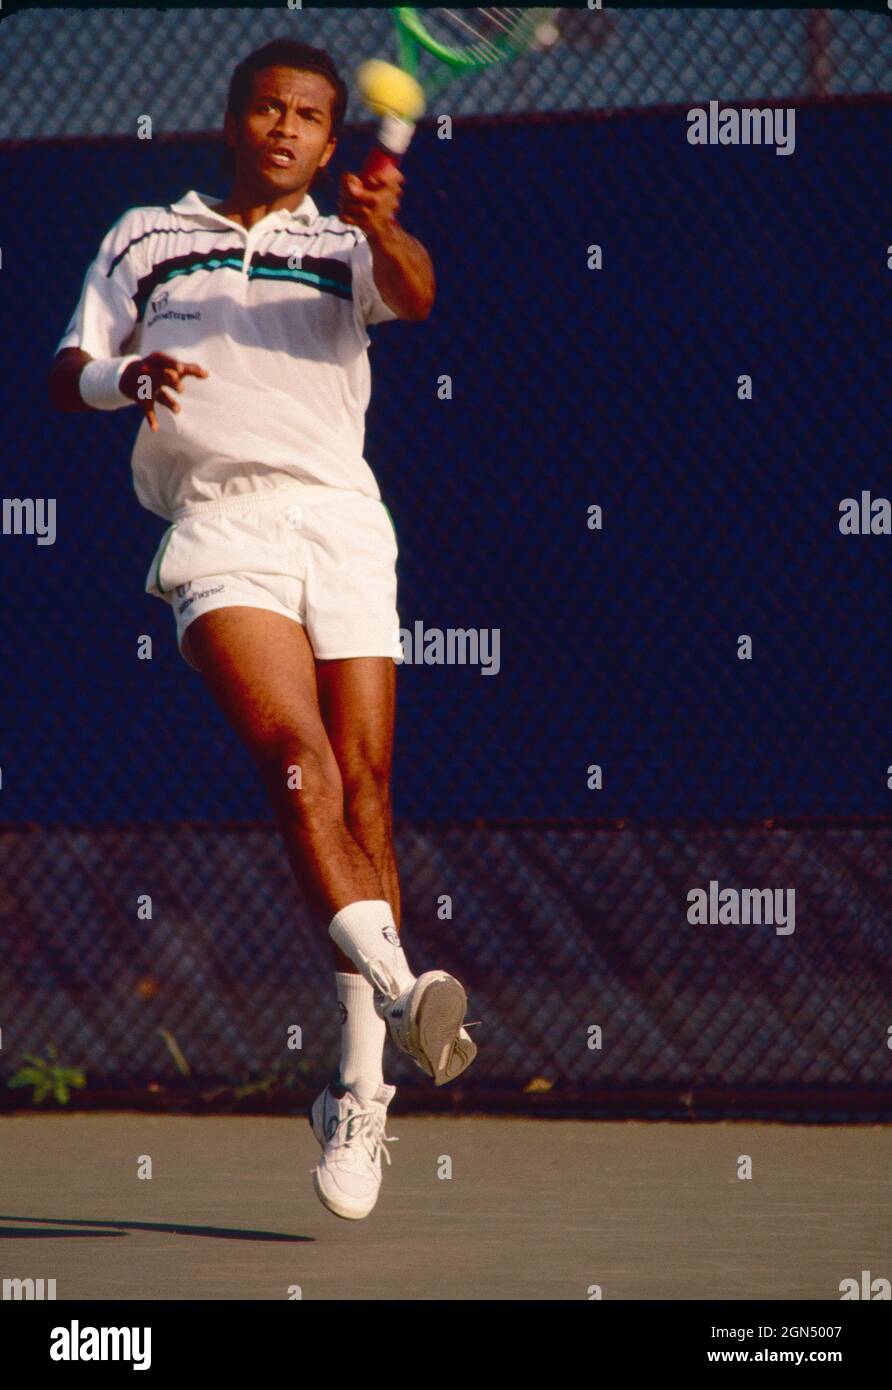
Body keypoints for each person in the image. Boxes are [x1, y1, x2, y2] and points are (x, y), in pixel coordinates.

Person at [48, 38, 477, 1222]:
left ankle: (358, 1091)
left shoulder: (346, 245)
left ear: (332, 143)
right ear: (235, 118)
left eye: (309, 116)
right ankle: (402, 987)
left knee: (367, 790)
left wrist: (383, 227)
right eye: (269, 108)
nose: (286, 127)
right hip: (219, 526)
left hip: (341, 520)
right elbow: (67, 369)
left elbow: (418, 294)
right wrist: (126, 381)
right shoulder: (145, 237)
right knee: (298, 760)